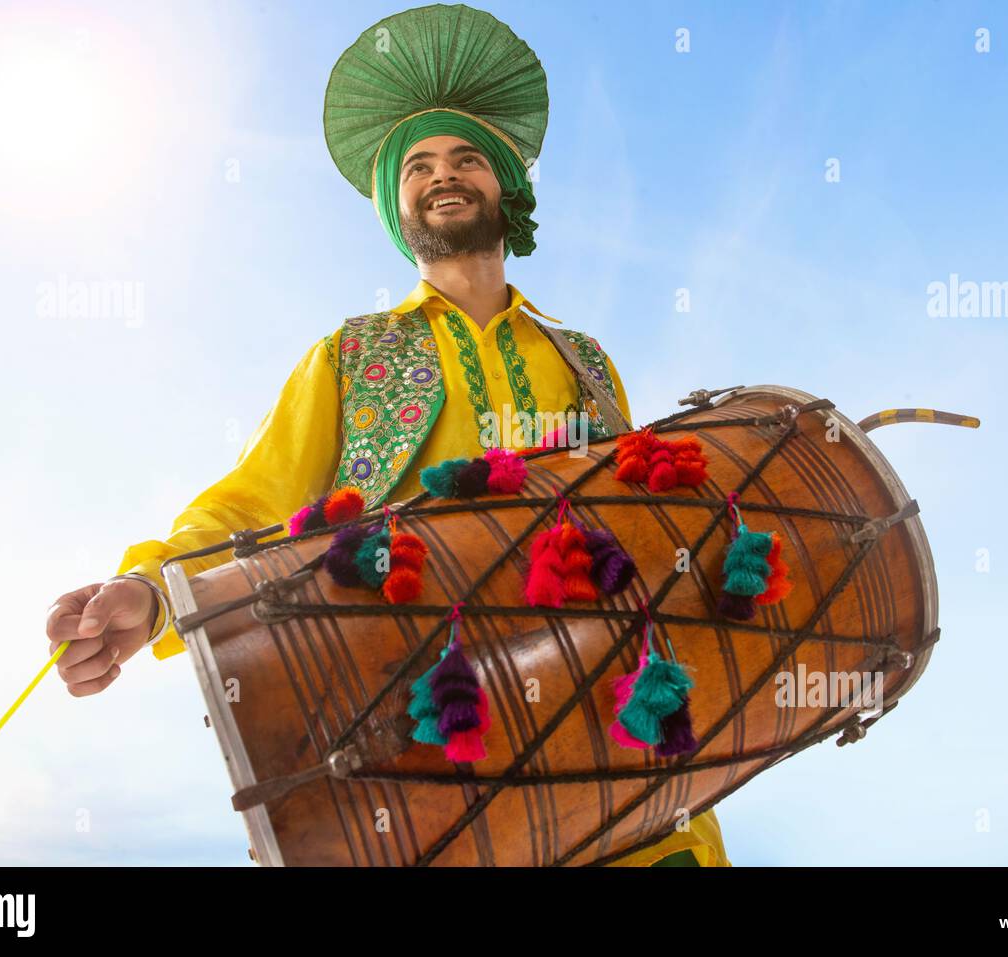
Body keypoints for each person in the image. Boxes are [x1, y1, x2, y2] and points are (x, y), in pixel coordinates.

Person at [43, 2, 729, 868]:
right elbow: (251, 502)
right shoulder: (352, 353)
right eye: (419, 165)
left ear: (505, 188)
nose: (445, 174)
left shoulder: (583, 358)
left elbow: (642, 523)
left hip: (622, 755)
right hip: (434, 749)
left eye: (468, 157)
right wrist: (151, 592)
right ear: (396, 203)